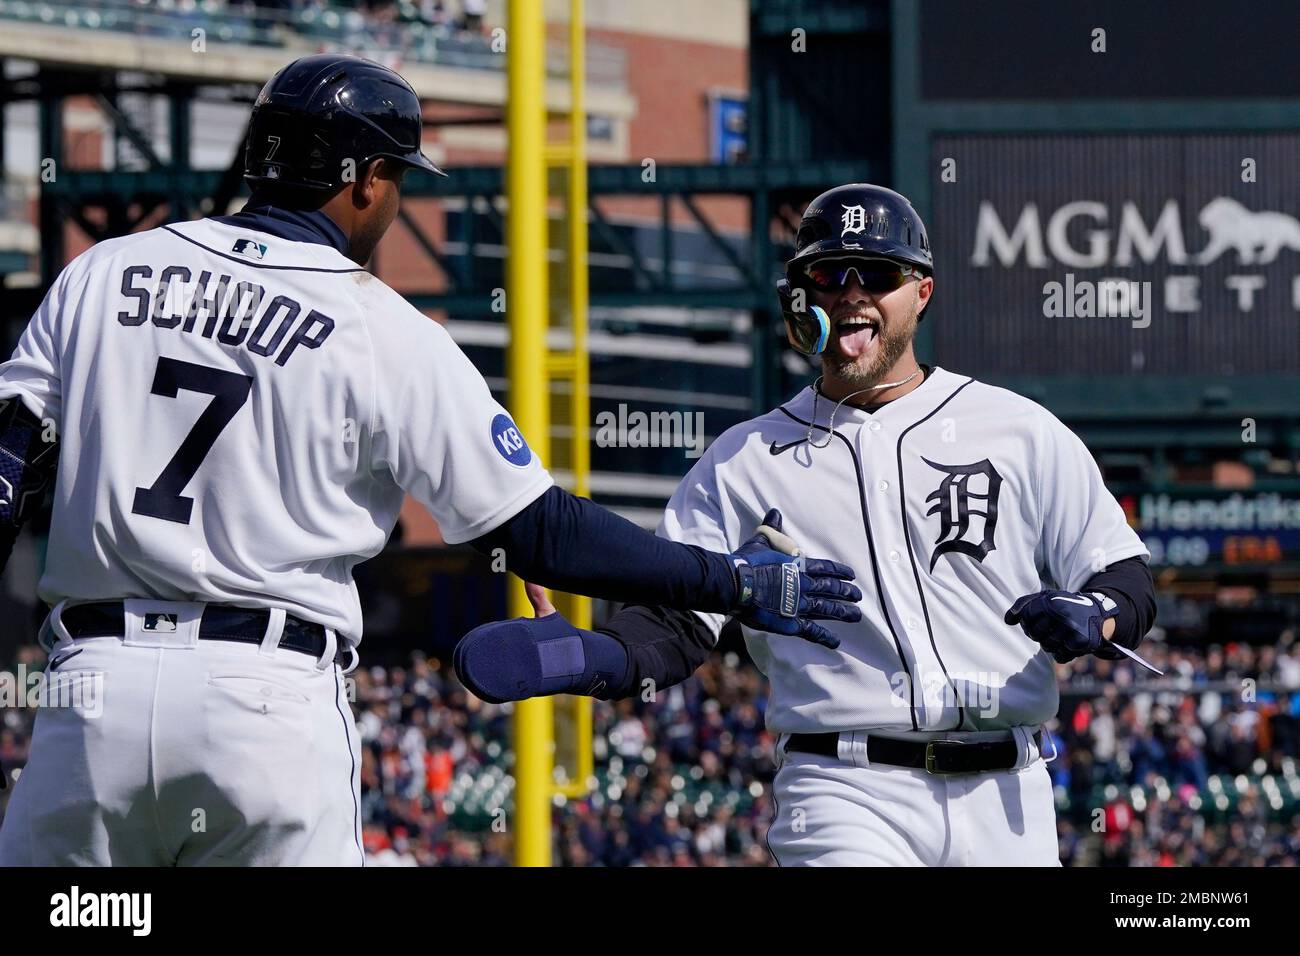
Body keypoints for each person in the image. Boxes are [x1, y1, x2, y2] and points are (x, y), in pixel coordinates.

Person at [0, 55, 861, 866]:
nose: (395, 199)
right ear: (364, 179)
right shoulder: (385, 330)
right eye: (397, 178)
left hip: (91, 694)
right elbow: (544, 533)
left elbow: (6, 472)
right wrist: (732, 583)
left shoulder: (104, 273)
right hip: (261, 699)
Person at [455, 183, 1157, 867]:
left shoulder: (1017, 429)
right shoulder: (743, 460)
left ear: (922, 291)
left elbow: (1123, 576)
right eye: (827, 273)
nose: (851, 292)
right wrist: (582, 657)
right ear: (800, 294)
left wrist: (1096, 614)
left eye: (877, 272)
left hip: (1012, 792)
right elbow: (674, 631)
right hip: (844, 788)